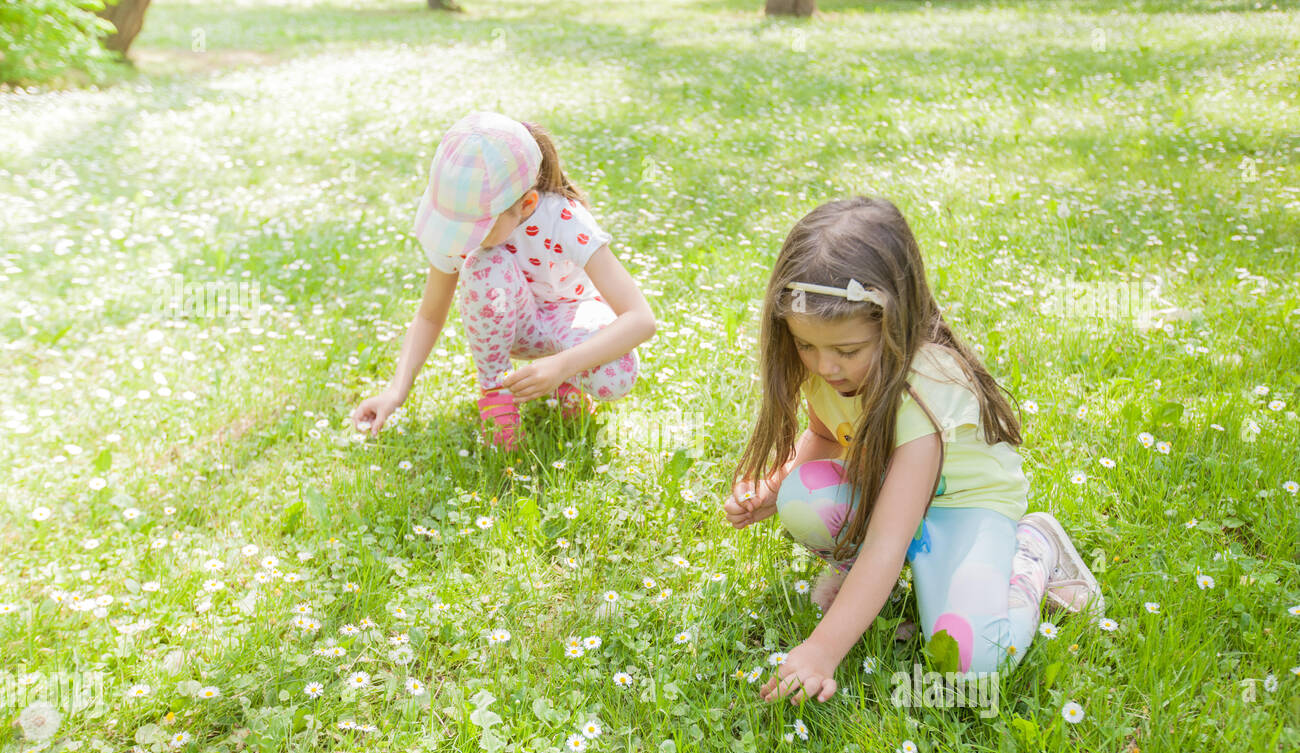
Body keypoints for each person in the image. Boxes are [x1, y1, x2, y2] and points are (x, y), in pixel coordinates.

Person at [723, 196, 1103, 704]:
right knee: (802, 495)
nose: (825, 366)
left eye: (847, 351)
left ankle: (1033, 551)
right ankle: (887, 588)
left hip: (962, 508)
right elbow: (822, 433)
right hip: (889, 497)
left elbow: (887, 540)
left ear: (895, 324)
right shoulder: (822, 368)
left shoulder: (924, 384)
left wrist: (822, 650)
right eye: (806, 346)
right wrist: (775, 486)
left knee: (968, 663)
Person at [351, 111, 655, 449]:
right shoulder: (459, 229)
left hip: (571, 324)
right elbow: (429, 315)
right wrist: (396, 391)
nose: (466, 238)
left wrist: (563, 365)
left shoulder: (565, 220)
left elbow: (641, 320)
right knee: (485, 264)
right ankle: (496, 395)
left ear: (526, 205)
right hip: (514, 328)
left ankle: (565, 382)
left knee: (618, 372)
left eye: (477, 227)